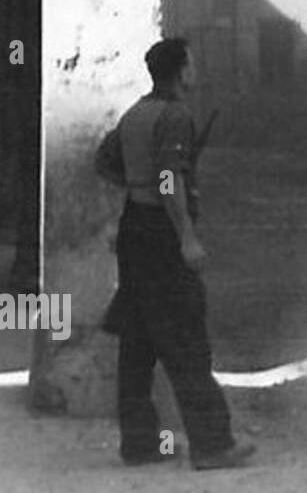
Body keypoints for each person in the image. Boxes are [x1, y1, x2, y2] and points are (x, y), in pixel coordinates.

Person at [108, 38, 254, 470]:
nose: (196, 70)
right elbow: (170, 177)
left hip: (134, 226)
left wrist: (136, 185)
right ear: (180, 71)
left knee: (137, 339)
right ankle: (212, 445)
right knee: (186, 337)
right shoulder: (176, 116)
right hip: (162, 234)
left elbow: (104, 160)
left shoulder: (135, 112)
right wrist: (187, 236)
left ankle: (139, 443)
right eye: (192, 63)